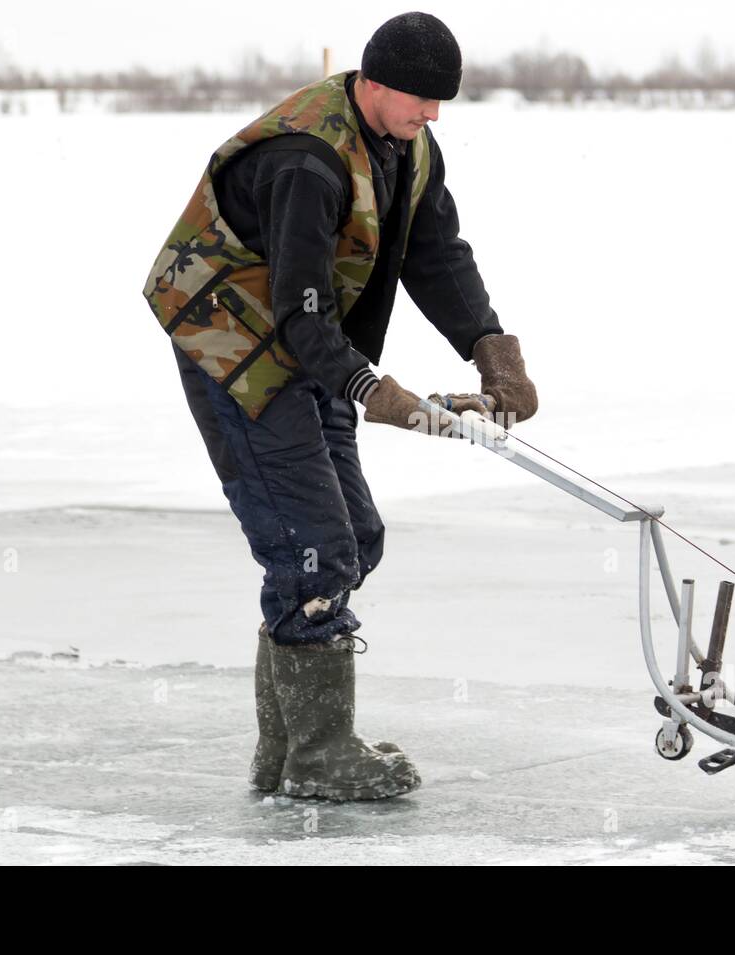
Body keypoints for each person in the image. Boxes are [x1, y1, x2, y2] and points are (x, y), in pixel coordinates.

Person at [140, 12, 537, 801]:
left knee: (352, 536)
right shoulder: (307, 161)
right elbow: (300, 310)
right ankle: (318, 757)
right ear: (375, 83)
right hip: (237, 346)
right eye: (421, 99)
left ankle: (287, 753)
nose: (433, 115)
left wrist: (494, 351)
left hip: (307, 345)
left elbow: (436, 254)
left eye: (441, 103)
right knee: (311, 545)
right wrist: (374, 391)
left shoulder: (409, 147)